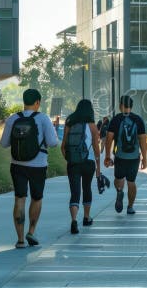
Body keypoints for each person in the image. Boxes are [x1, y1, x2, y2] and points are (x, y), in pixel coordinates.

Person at [0, 89, 59, 248]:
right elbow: (53, 143)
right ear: (38, 102)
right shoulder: (43, 118)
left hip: (17, 164)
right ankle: (31, 231)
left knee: (19, 198)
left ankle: (20, 240)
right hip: (38, 165)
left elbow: (4, 143)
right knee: (36, 198)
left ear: (24, 101)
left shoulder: (13, 119)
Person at [61, 99, 101, 235]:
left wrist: (70, 159)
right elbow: (96, 149)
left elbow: (63, 146)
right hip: (88, 162)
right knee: (87, 188)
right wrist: (98, 169)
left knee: (75, 191)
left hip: (73, 163)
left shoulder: (69, 123)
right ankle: (86, 217)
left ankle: (73, 220)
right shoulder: (92, 126)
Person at [103, 95, 147, 214]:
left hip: (120, 156)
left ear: (121, 106)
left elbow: (109, 138)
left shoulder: (116, 119)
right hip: (134, 157)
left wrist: (107, 156)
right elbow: (143, 140)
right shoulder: (138, 120)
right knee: (131, 182)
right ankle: (130, 207)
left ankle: (119, 191)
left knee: (118, 178)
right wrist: (145, 159)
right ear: (131, 106)